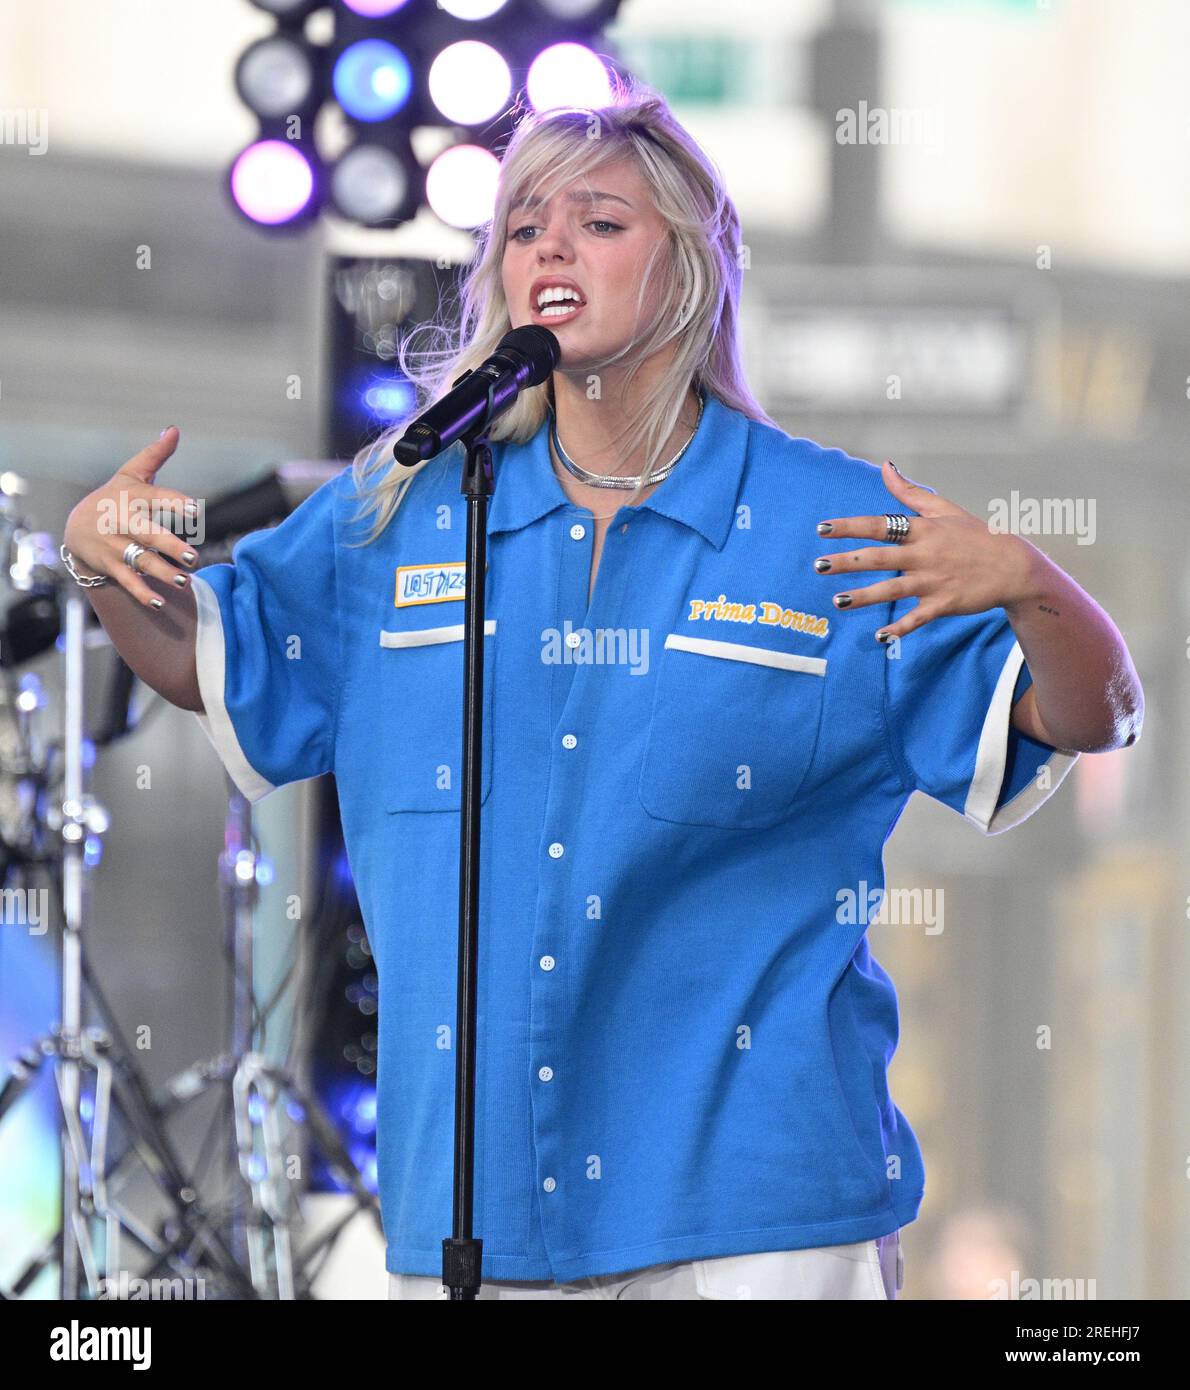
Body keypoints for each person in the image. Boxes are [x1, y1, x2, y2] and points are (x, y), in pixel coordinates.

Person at [61, 82, 1143, 1302]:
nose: (549, 249)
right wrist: (103, 561)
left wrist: (1031, 584)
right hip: (472, 1214)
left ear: (689, 266)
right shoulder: (403, 506)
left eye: (597, 222)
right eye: (523, 228)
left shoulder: (824, 521)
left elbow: (1086, 713)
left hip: (758, 1217)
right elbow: (212, 660)